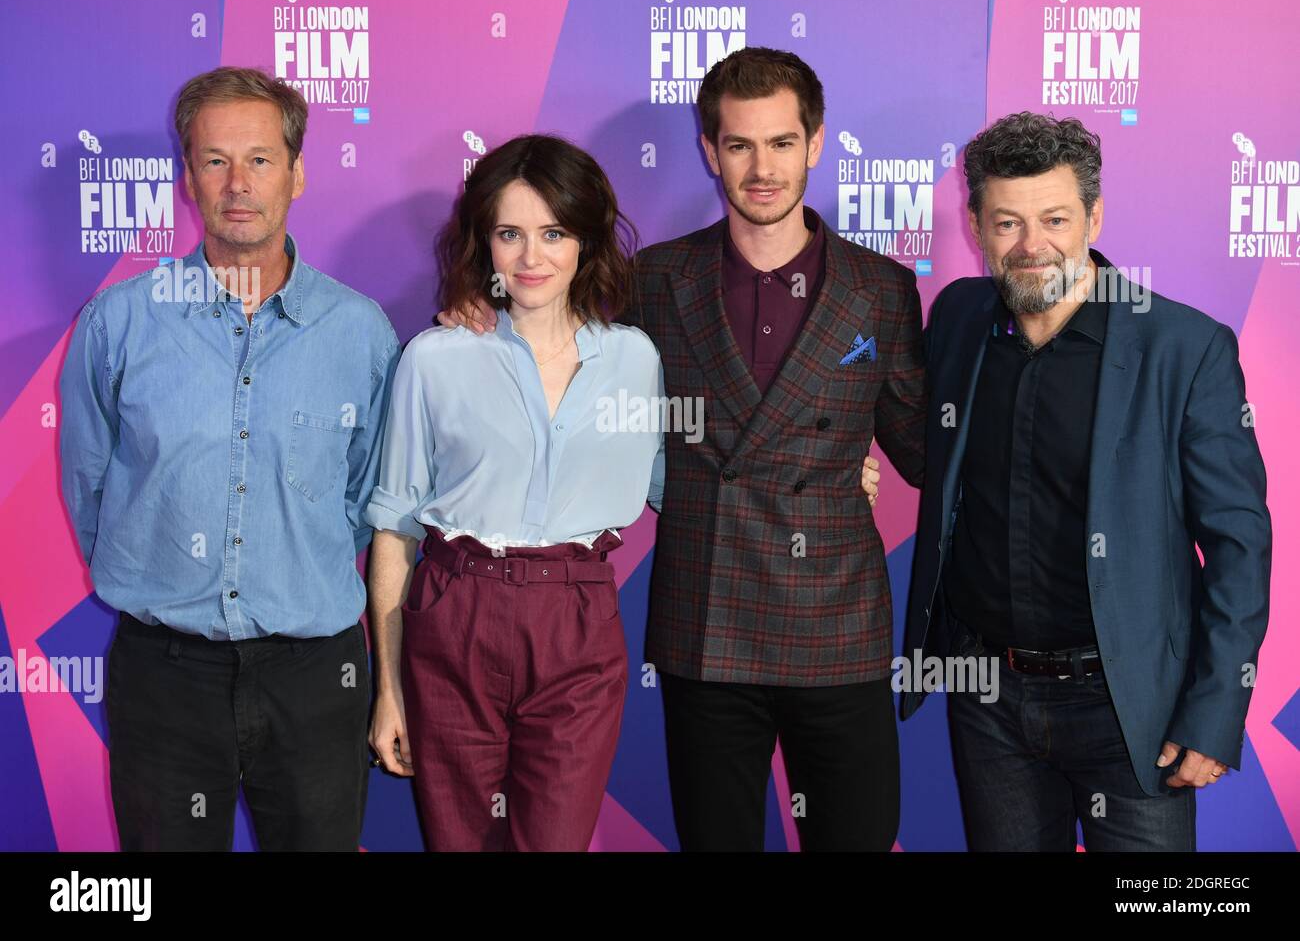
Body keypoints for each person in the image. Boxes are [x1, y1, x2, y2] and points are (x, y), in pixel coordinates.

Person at [441, 47, 920, 852]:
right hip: (708, 621)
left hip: (839, 627)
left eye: (780, 143)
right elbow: (557, 349)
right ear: (709, 151)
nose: (761, 168)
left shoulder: (883, 289)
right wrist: (475, 303)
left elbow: (922, 447)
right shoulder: (656, 279)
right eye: (739, 145)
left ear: (816, 142)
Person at [900, 112, 1271, 851]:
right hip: (989, 698)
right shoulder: (959, 318)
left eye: (1055, 218)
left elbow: (1238, 545)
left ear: (1094, 216)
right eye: (1007, 222)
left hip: (1131, 705)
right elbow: (928, 449)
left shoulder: (1183, 349)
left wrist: (1215, 708)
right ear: (975, 225)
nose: (1032, 245)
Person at [59, 66, 399, 850]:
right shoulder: (119, 323)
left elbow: (367, 497)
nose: (237, 183)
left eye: (259, 159)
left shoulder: (360, 332)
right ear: (188, 179)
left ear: (298, 173)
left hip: (317, 678)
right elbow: (90, 482)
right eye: (215, 161)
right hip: (164, 676)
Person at [364, 134, 664, 851]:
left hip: (578, 618)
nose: (531, 258)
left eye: (554, 233)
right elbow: (394, 529)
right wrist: (388, 688)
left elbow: (685, 484)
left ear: (588, 241)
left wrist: (835, 468)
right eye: (510, 234)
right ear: (484, 243)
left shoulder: (634, 358)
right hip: (453, 613)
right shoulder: (434, 359)